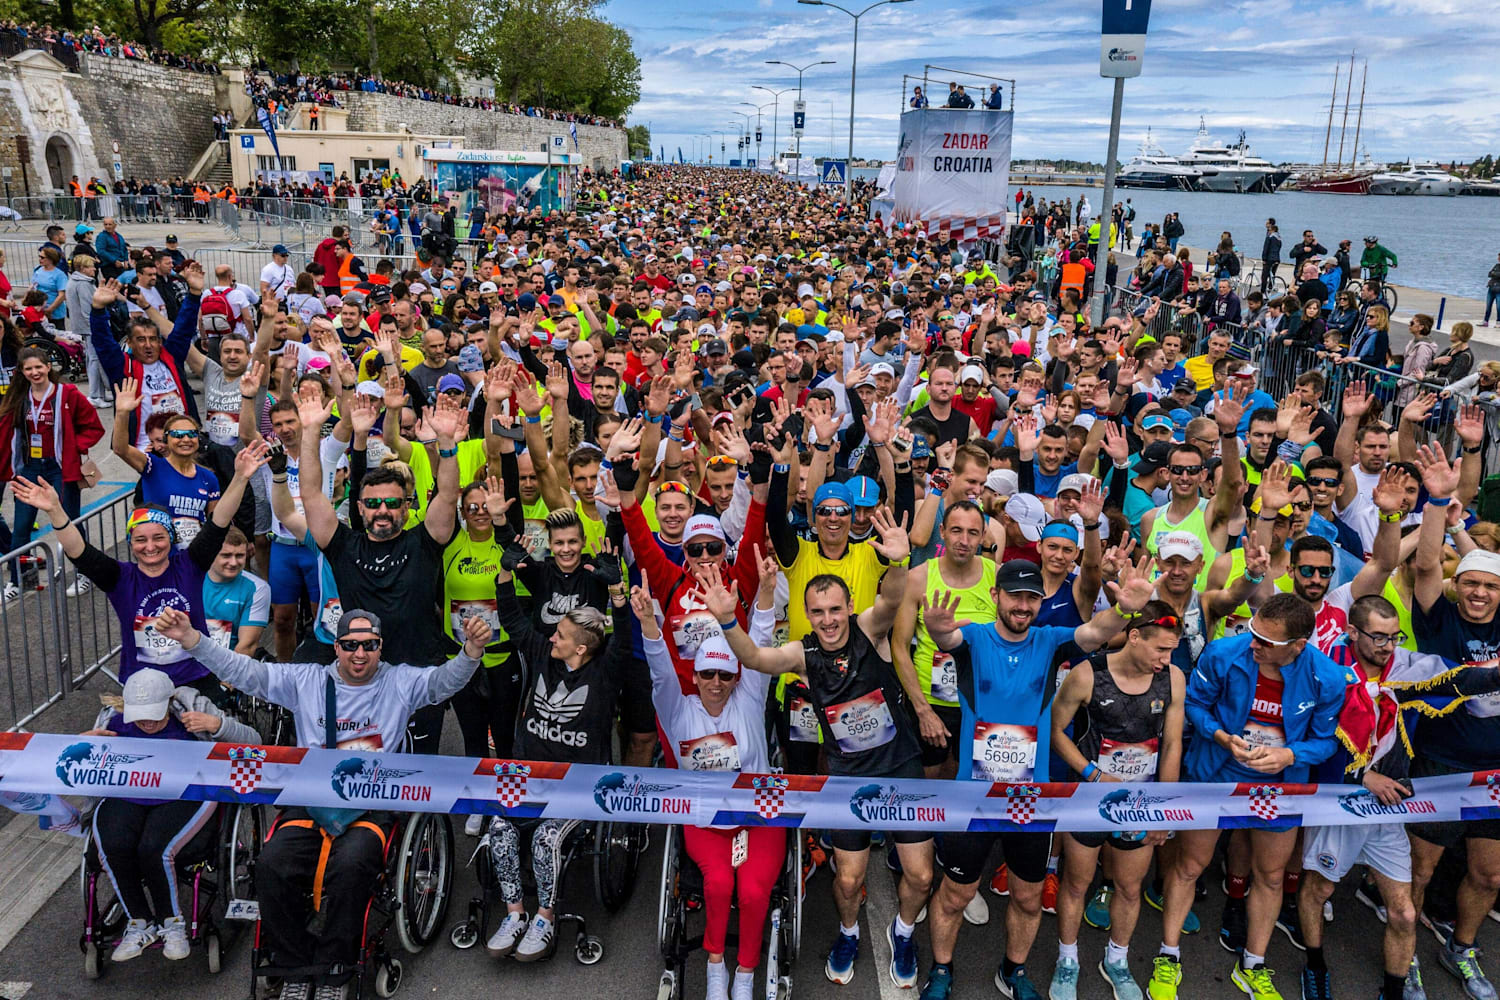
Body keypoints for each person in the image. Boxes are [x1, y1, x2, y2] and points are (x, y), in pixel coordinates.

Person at [148, 605, 490, 999]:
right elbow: (246, 673)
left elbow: (444, 682)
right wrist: (192, 640)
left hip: (372, 805)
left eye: (369, 645)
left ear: (381, 647)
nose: (359, 654)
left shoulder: (400, 682)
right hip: (310, 802)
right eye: (350, 645)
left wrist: (472, 652)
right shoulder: (306, 680)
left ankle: (334, 968)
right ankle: (294, 965)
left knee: (351, 865)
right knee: (272, 865)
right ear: (336, 646)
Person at [914, 556, 1158, 1000]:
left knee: (1028, 898)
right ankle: (943, 970)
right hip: (976, 800)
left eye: (1032, 597)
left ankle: (1013, 971)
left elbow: (1095, 633)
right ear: (996, 596)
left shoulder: (1052, 642)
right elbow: (946, 636)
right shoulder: (974, 638)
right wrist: (934, 629)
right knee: (955, 894)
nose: (1023, 605)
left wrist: (1125, 610)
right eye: (1015, 596)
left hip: (1031, 801)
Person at [710, 510, 933, 990]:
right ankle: (849, 932)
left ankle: (904, 930)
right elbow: (754, 658)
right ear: (807, 615)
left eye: (835, 610)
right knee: (849, 880)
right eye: (818, 612)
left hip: (901, 767)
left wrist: (898, 561)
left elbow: (892, 601)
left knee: (919, 876)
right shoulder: (803, 653)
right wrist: (728, 618)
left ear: (849, 606)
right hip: (848, 777)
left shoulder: (868, 629)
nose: (828, 621)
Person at [1159, 593, 1349, 1000]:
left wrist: (1289, 754)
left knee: (1271, 875)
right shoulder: (1225, 653)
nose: (1253, 644)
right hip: (1217, 773)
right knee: (1190, 865)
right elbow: (1194, 704)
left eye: (1266, 642)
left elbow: (1327, 741)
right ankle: (1167, 954)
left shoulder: (1328, 677)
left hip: (1278, 786)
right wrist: (1220, 736)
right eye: (1254, 633)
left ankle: (1254, 964)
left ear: (1299, 646)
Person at [635, 560, 781, 1000]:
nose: (716, 683)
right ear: (694, 677)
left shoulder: (750, 696)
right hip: (703, 819)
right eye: (707, 675)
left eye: (724, 674)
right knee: (718, 884)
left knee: (754, 891)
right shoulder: (678, 708)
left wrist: (768, 594)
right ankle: (715, 964)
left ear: (736, 676)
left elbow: (760, 642)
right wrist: (648, 623)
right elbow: (661, 670)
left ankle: (746, 974)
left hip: (760, 816)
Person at [486, 525, 633, 962]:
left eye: (562, 635)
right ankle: (514, 914)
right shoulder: (539, 652)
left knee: (546, 838)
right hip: (526, 781)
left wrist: (617, 593)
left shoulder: (604, 673)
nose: (552, 636)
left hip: (576, 790)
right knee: (500, 830)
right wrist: (504, 575)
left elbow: (624, 641)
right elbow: (512, 618)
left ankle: (546, 919)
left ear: (583, 648)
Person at [12, 441, 264, 693]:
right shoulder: (120, 577)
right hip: (141, 685)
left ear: (171, 539)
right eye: (140, 539)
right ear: (131, 542)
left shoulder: (190, 564)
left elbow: (218, 523)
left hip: (196, 679)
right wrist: (55, 510)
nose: (150, 546)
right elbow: (79, 552)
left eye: (159, 537)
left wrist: (240, 477)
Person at [1047, 602, 1186, 1000]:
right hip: (1089, 799)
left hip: (1139, 802)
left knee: (1128, 887)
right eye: (1160, 649)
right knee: (1076, 884)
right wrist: (1093, 774)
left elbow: (1173, 744)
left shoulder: (1173, 678)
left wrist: (1163, 808)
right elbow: (1056, 730)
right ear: (1135, 636)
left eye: (1172, 651)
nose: (1167, 659)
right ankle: (1067, 958)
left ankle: (1117, 960)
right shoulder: (1088, 674)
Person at [81, 667, 260, 963]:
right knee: (113, 846)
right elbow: (70, 760)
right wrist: (83, 742)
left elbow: (253, 743)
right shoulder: (110, 717)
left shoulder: (192, 705)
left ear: (169, 701)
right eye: (140, 714)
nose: (148, 722)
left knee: (154, 848)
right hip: (129, 791)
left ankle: (172, 924)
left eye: (155, 713)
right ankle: (139, 923)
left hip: (185, 790)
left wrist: (217, 726)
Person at [0, 346, 104, 599]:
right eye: (29, 369)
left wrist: (74, 448)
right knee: (22, 527)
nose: (35, 372)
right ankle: (18, 580)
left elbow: (94, 427)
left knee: (70, 521)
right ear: (22, 373)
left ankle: (84, 575)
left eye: (39, 367)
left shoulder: (67, 394)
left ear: (48, 367)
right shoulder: (19, 399)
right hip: (30, 469)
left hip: (59, 468)